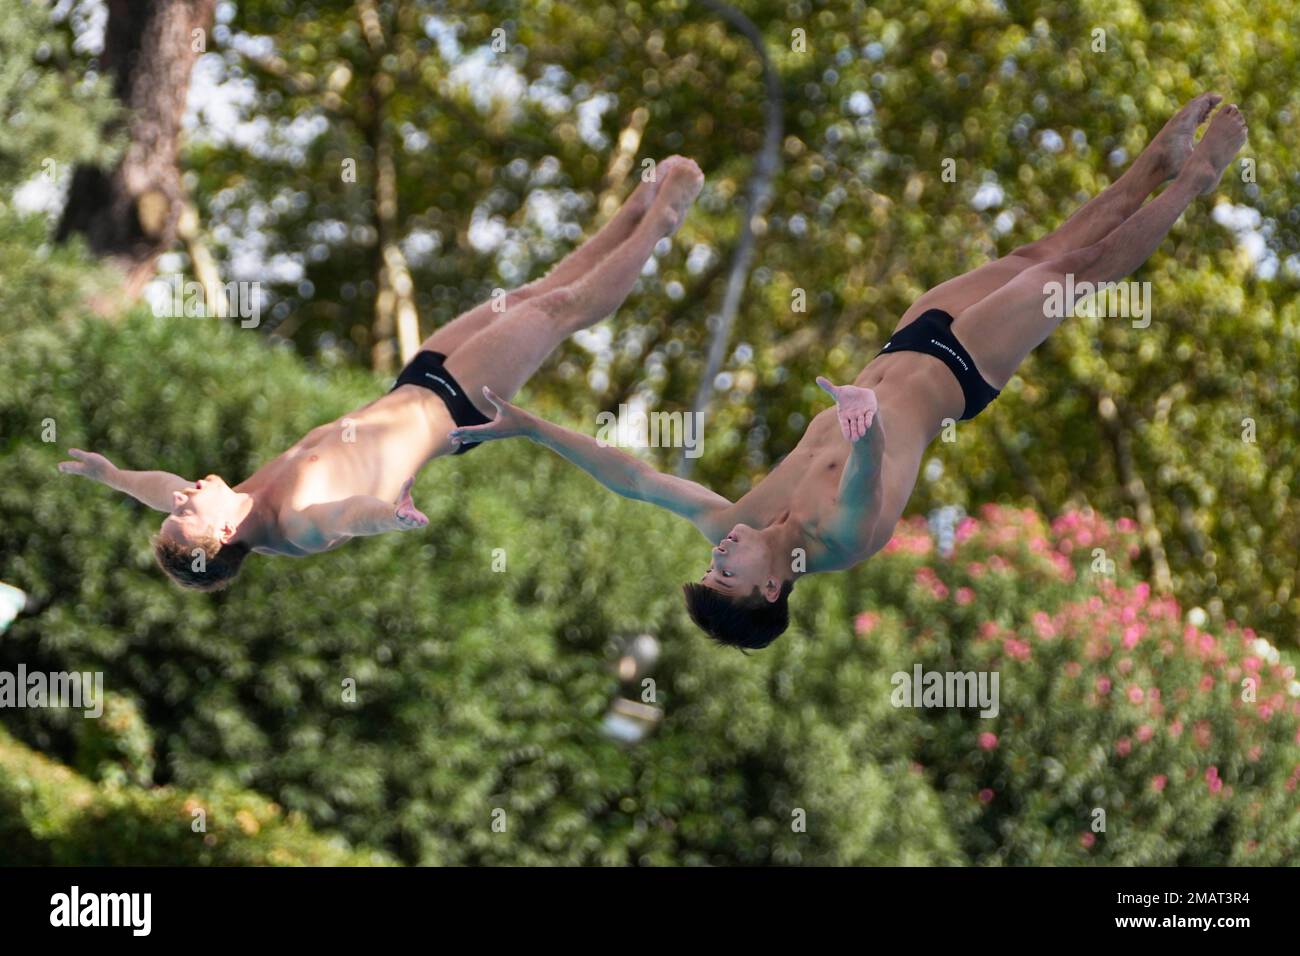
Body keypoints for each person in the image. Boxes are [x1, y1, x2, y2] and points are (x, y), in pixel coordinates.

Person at [449, 95, 1247, 650]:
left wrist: (528, 426)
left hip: (909, 340)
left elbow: (633, 477)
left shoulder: (742, 517)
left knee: (1035, 253)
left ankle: (1151, 165)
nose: (719, 555)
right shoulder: (838, 540)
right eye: (724, 575)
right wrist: (863, 426)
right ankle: (1195, 180)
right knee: (1079, 272)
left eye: (710, 564)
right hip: (961, 372)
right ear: (768, 589)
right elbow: (867, 477)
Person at [57, 158, 706, 590]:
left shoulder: (237, 503)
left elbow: (163, 490)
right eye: (185, 512)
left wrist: (112, 477)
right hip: (456, 409)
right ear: (222, 534)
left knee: (533, 292)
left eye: (172, 506)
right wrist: (389, 515)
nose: (179, 496)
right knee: (561, 310)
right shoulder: (292, 524)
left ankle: (631, 213)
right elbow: (347, 516)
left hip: (417, 379)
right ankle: (660, 225)